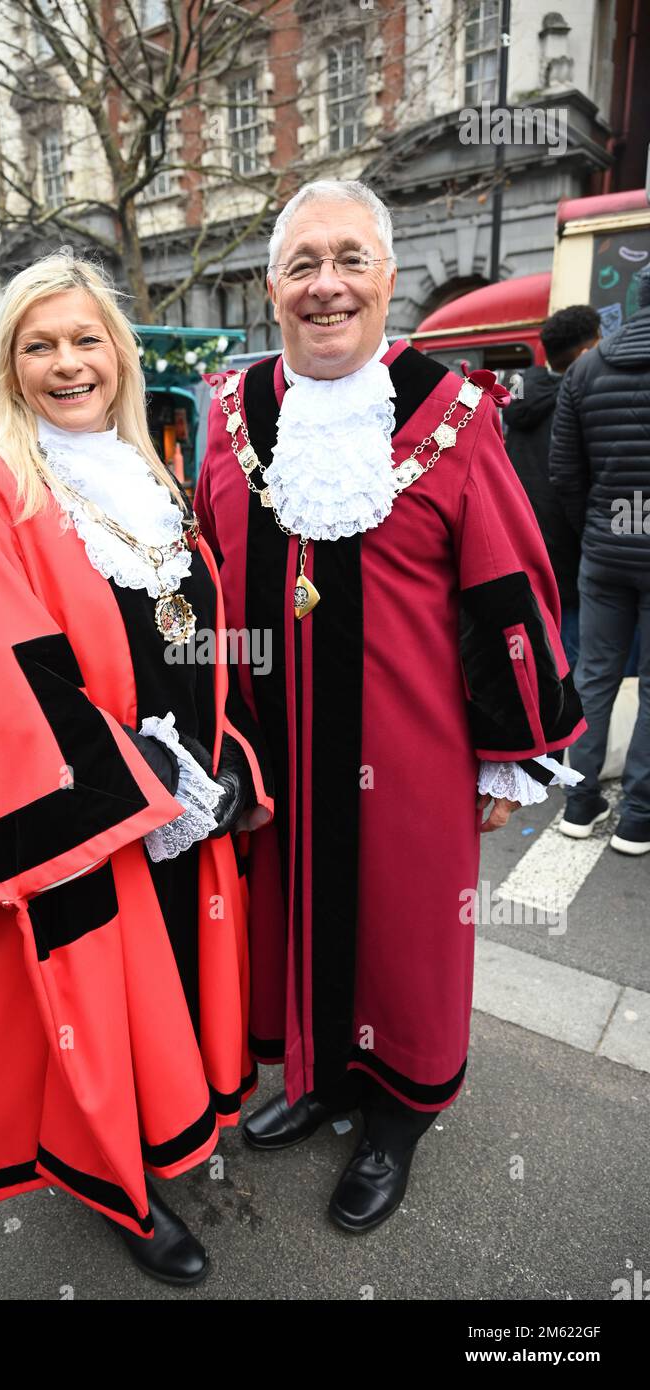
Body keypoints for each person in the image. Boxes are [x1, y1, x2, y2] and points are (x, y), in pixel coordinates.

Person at [195, 178, 586, 1235]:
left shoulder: (454, 411)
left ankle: (398, 1116)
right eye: (303, 264)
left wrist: (513, 754)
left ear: (389, 278)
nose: (327, 285)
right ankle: (321, 1075)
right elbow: (205, 579)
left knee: (407, 937)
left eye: (350, 260)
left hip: (412, 751)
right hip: (277, 757)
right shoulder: (231, 412)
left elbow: (509, 582)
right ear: (272, 286)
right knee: (299, 920)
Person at [0, 253, 272, 1286]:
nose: (68, 364)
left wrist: (224, 755)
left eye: (85, 339)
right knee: (95, 998)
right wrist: (143, 775)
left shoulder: (153, 467)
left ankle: (172, 1134)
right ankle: (120, 1184)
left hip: (179, 793)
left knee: (175, 985)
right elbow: (3, 673)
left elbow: (195, 630)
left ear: (120, 350)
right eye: (39, 345)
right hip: (92, 806)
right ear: (11, 366)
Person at [550, 265, 650, 854]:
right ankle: (637, 818)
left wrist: (598, 517)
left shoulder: (587, 368)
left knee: (594, 675)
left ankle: (580, 805)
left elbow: (566, 471)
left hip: (607, 543)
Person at [503, 305, 600, 668]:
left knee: (533, 640)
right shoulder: (580, 397)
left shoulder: (520, 383)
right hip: (567, 535)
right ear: (585, 352)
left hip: (521, 530)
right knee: (574, 647)